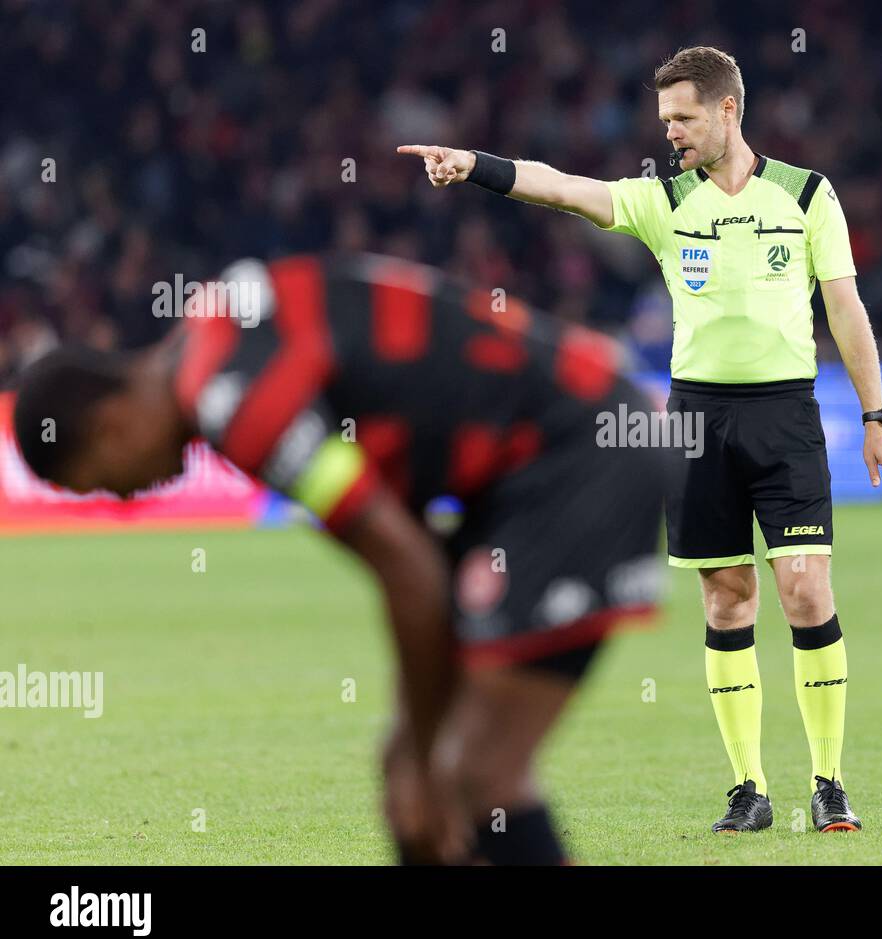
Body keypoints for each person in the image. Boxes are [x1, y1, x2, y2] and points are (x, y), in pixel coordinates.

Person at [12, 252, 666, 864]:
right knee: (418, 778)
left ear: (109, 428)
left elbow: (407, 569)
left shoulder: (237, 404)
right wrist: (411, 746)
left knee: (476, 775)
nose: (123, 499)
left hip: (575, 457)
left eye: (101, 482)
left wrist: (417, 747)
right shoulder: (215, 331)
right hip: (535, 460)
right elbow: (415, 551)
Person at [398, 46, 882, 834]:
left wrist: (877, 420)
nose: (670, 132)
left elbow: (845, 310)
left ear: (728, 110)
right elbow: (564, 187)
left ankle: (830, 782)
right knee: (727, 597)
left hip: (786, 416)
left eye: (683, 118)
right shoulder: (662, 201)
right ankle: (749, 790)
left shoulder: (807, 195)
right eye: (664, 119)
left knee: (806, 587)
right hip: (697, 419)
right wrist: (475, 165)